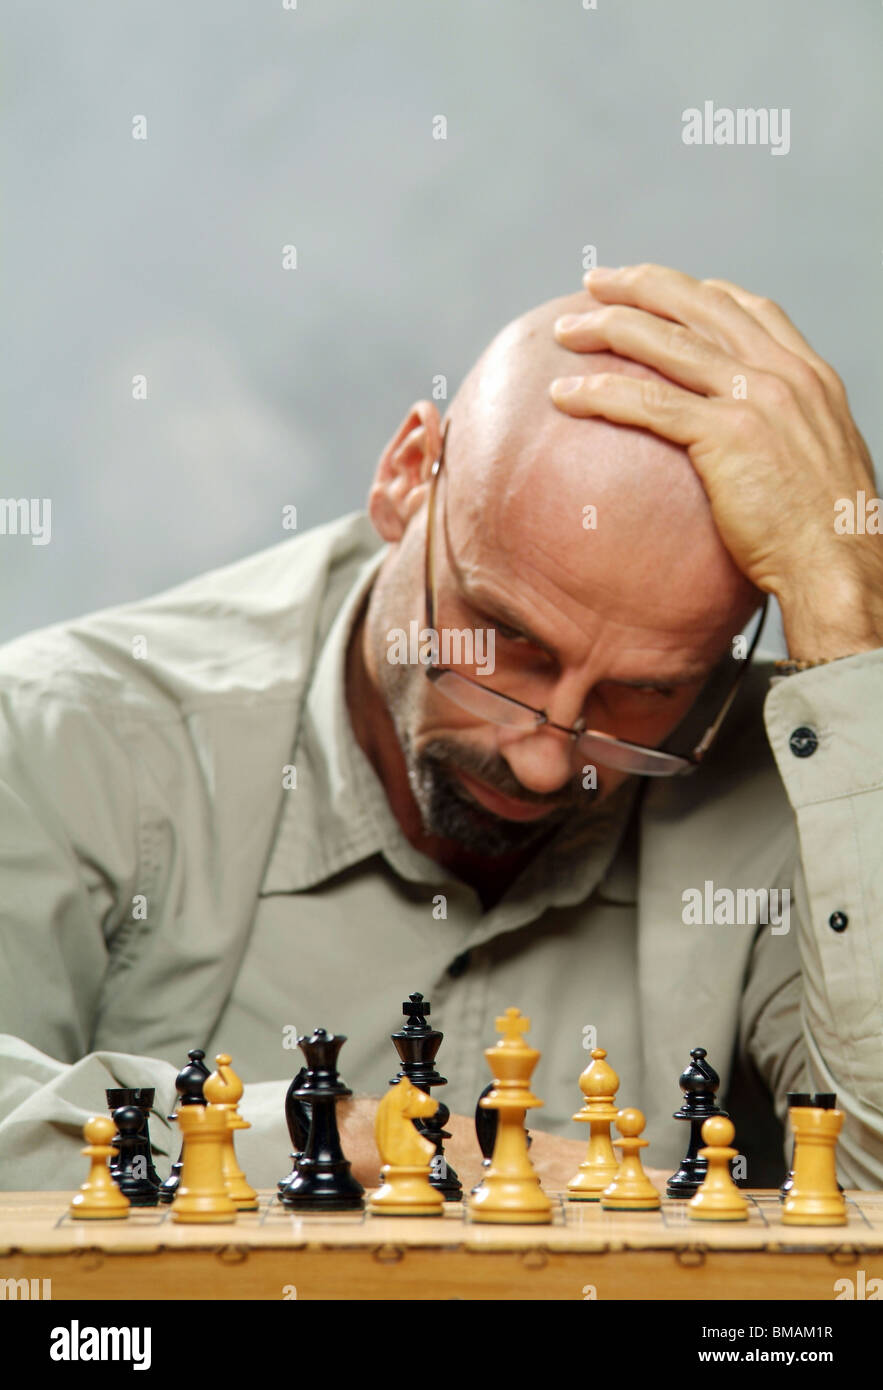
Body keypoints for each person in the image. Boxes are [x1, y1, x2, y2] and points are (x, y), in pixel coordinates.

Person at [1, 265, 880, 1193]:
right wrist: (365, 1140)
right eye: (506, 642)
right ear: (407, 476)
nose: (545, 763)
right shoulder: (70, 733)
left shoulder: (806, 772)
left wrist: (850, 617)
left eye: (642, 695)